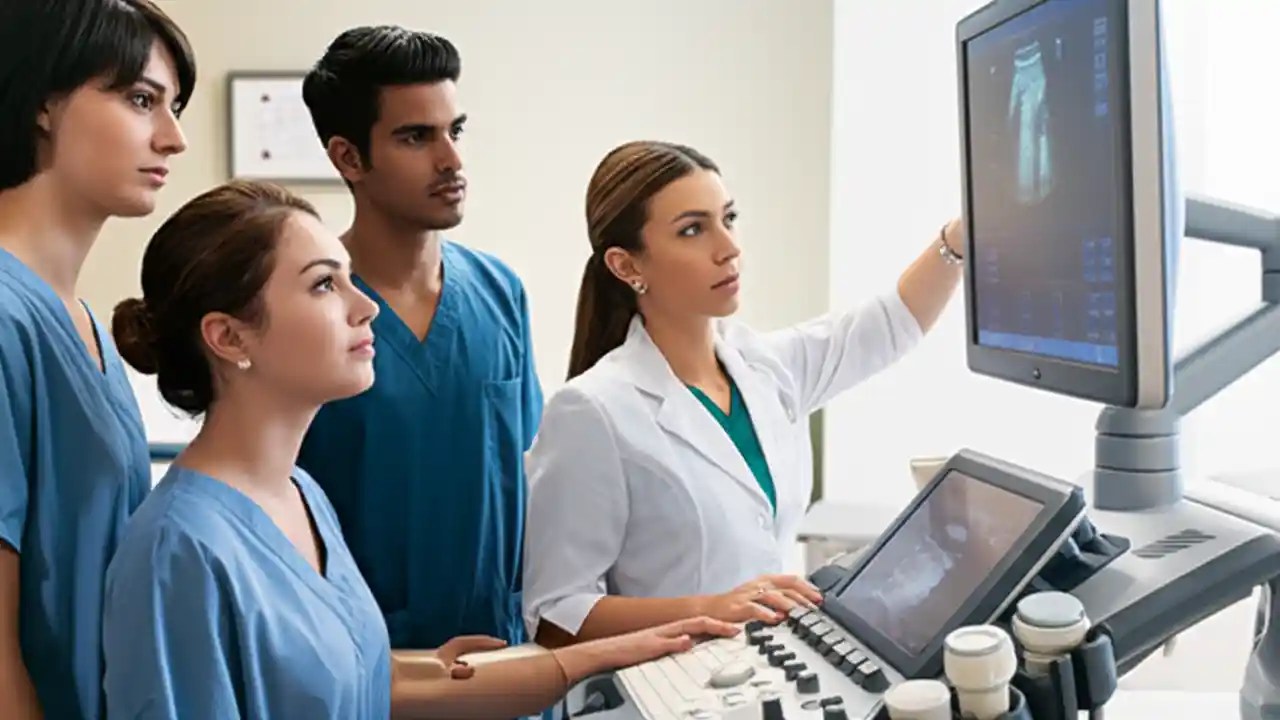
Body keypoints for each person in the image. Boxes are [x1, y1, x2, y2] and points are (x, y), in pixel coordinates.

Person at [101, 180, 738, 719]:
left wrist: (617, 651)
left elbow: (374, 683)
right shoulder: (178, 549)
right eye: (325, 286)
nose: (365, 308)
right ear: (229, 335)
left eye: (351, 280)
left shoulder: (302, 497)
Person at [522, 140, 965, 645]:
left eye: (727, 219)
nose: (728, 247)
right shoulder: (592, 410)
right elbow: (557, 615)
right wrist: (708, 609)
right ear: (627, 266)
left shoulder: (763, 367)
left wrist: (959, 239)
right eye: (693, 229)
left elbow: (889, 325)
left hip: (762, 673)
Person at [295, 25, 542, 652]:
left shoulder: (500, 292)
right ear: (349, 157)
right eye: (416, 137)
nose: (452, 161)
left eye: (454, 132)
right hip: (363, 667)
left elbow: (536, 475)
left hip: (504, 662)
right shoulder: (305, 304)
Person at [0, 1, 195, 717]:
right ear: (47, 101)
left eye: (173, 107)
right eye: (142, 100)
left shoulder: (79, 323)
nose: (173, 139)